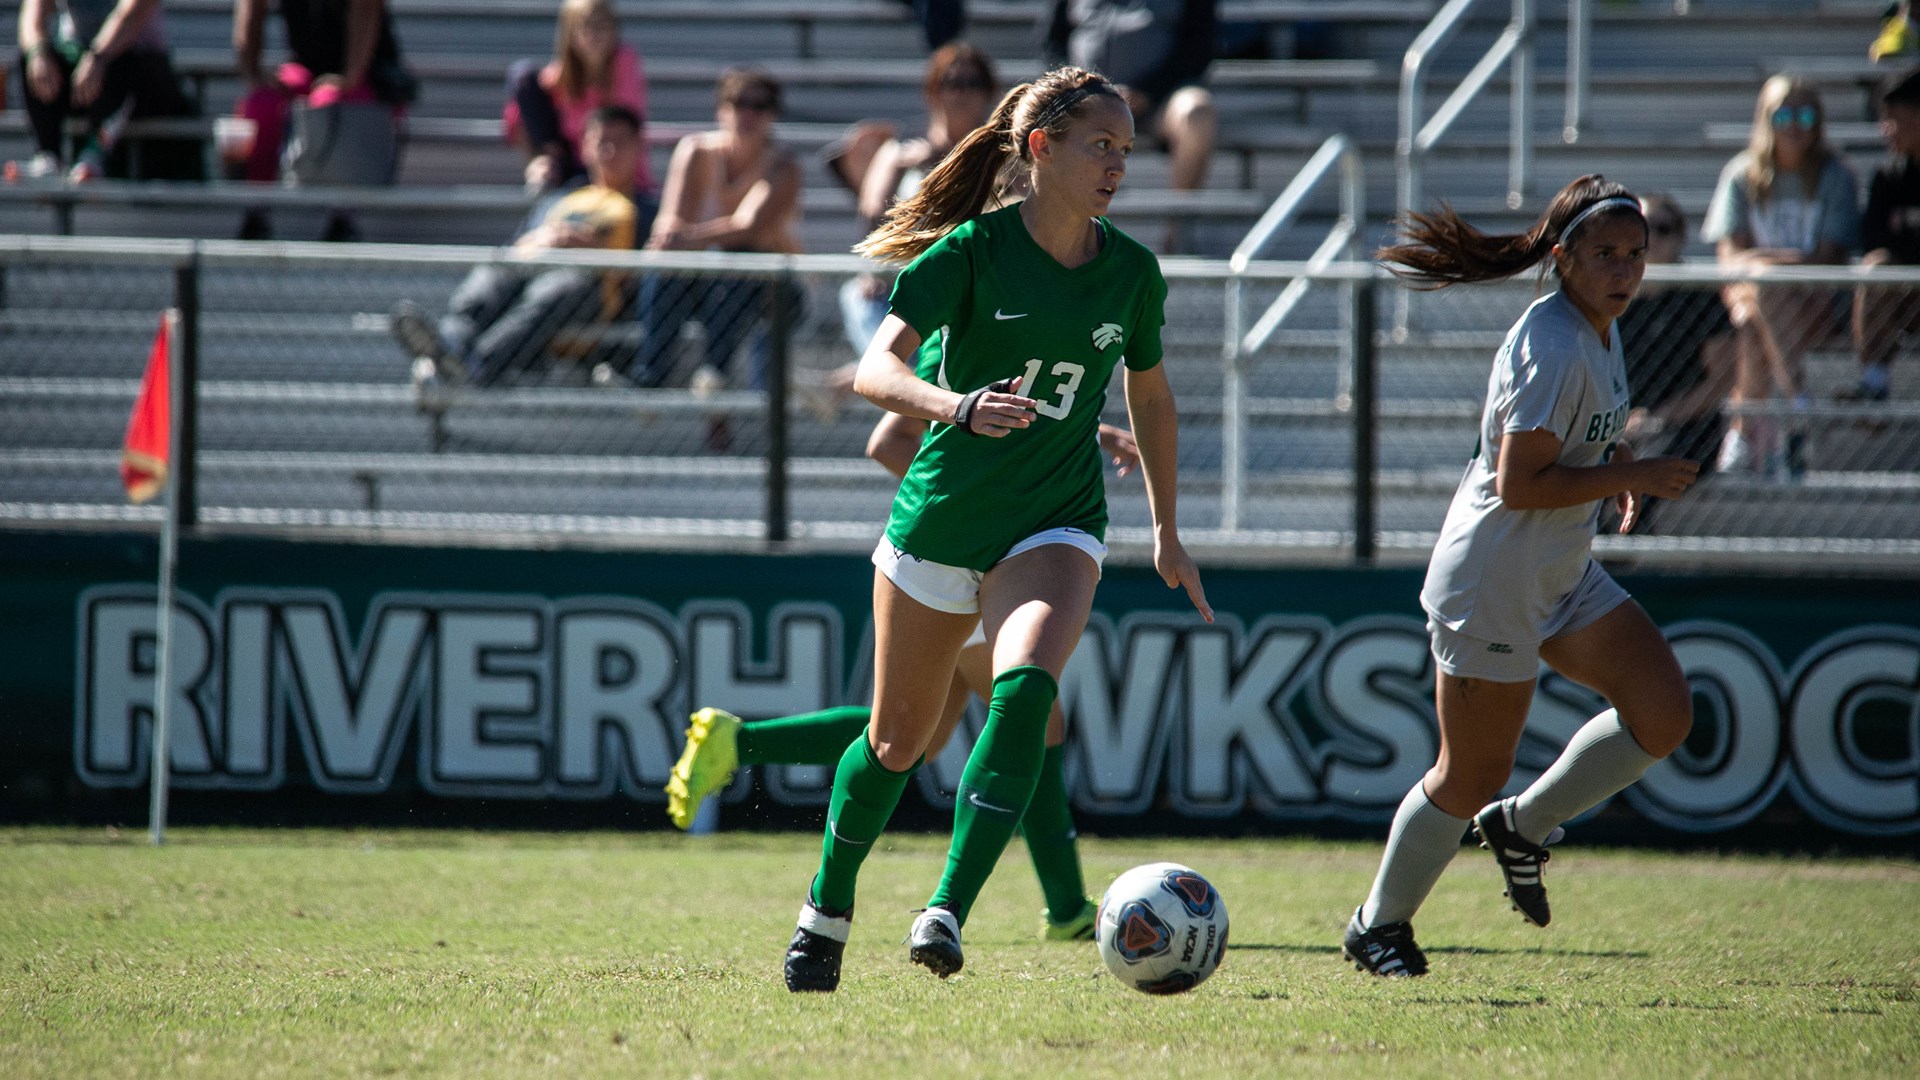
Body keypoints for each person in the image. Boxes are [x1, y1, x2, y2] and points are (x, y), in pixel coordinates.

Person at [779, 65, 1211, 994]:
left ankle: (946, 909)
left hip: (1056, 521)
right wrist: (959, 406)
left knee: (1026, 690)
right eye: (1100, 146)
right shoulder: (970, 252)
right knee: (896, 746)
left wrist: (1167, 528)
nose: (1118, 166)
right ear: (1040, 148)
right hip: (944, 520)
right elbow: (875, 373)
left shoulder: (1132, 270)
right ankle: (825, 909)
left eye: (1127, 150)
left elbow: (1153, 397)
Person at [1342, 175, 1701, 978]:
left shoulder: (1599, 328)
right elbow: (1518, 484)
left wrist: (1615, 461)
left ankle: (1524, 825)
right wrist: (1628, 475)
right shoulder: (1555, 342)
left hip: (1559, 567)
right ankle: (1376, 926)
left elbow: (1576, 440)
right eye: (1605, 254)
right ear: (1564, 257)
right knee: (1469, 773)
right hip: (1496, 578)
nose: (1624, 269)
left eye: (1635, 254)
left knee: (1663, 713)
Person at [666, 411, 1143, 943]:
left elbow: (1018, 423)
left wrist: (1090, 432)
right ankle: (1065, 905)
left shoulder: (1014, 366)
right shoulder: (945, 360)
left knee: (920, 738)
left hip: (988, 559)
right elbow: (888, 440)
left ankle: (736, 742)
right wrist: (976, 498)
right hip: (964, 562)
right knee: (1030, 721)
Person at [389, 105, 655, 389]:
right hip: (533, 265)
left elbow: (635, 272)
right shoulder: (560, 199)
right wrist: (547, 240)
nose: (610, 152)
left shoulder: (647, 210)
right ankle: (450, 346)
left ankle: (472, 365)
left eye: (620, 142)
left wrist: (572, 241)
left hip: (585, 291)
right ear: (586, 147)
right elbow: (521, 243)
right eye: (602, 142)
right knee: (490, 277)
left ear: (638, 147)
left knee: (555, 290)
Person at [611, 67, 803, 403]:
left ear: (773, 114)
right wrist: (673, 240)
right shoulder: (695, 151)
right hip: (709, 280)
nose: (748, 113)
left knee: (733, 263)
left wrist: (687, 239)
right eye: (739, 102)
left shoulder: (783, 166)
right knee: (667, 268)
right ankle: (650, 377)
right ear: (721, 109)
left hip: (773, 288)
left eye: (759, 105)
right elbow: (669, 223)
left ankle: (715, 375)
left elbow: (748, 227)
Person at [1702, 76, 1860, 478]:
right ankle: (1797, 406)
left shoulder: (1835, 175)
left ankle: (1742, 434)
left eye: (1805, 116)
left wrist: (1763, 265)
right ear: (1765, 119)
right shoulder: (1741, 174)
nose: (1794, 126)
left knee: (1756, 320)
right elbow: (1728, 257)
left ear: (1818, 122)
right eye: (1783, 116)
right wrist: (1770, 269)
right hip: (1750, 298)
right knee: (1759, 301)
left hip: (1816, 302)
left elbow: (1828, 257)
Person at [838, 42, 1002, 368]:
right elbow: (873, 211)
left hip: (975, 286)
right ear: (933, 91)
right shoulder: (904, 149)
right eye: (951, 83)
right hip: (909, 280)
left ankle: (878, 378)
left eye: (973, 83)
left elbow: (1010, 209)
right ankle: (890, 376)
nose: (961, 93)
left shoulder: (1001, 155)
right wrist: (899, 166)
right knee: (858, 297)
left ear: (988, 92)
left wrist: (947, 163)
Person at [1041, 0, 1220, 253]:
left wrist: (1146, 92)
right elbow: (1052, 43)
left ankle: (1176, 236)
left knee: (1197, 113)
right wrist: (1082, 89)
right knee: (1032, 121)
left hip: (1160, 102)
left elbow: (1197, 49)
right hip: (1084, 100)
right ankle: (1060, 236)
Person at [231, 0, 418, 241]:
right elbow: (250, 10)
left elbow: (366, 9)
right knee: (263, 103)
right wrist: (254, 74)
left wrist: (348, 79)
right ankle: (256, 211)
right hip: (308, 70)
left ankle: (343, 217)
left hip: (366, 75)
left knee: (328, 101)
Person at [1617, 192, 1736, 531]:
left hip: (1688, 427)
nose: (1652, 238)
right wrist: (1619, 424)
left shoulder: (1698, 296)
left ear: (1681, 237)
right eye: (1643, 228)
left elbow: (1721, 380)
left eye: (1663, 228)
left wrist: (1659, 418)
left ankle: (1622, 550)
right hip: (1620, 423)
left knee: (1643, 473)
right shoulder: (1613, 295)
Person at [13, 0, 198, 181]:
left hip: (140, 74)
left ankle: (93, 156)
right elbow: (32, 13)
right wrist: (38, 53)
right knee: (34, 61)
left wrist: (97, 58)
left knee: (121, 63)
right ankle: (49, 157)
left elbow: (128, 17)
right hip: (81, 67)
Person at [503, 0, 651, 197]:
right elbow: (520, 117)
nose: (595, 35)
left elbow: (623, 125)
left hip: (610, 166)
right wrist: (538, 158)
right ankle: (544, 163)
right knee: (522, 75)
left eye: (603, 26)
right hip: (572, 162)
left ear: (615, 30)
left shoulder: (625, 61)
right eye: (586, 26)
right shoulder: (559, 77)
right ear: (570, 34)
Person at [1851, 64, 1920, 404]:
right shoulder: (1888, 178)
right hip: (1904, 298)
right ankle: (1874, 385)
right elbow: (1873, 242)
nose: (1885, 130)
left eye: (1893, 119)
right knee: (1877, 265)